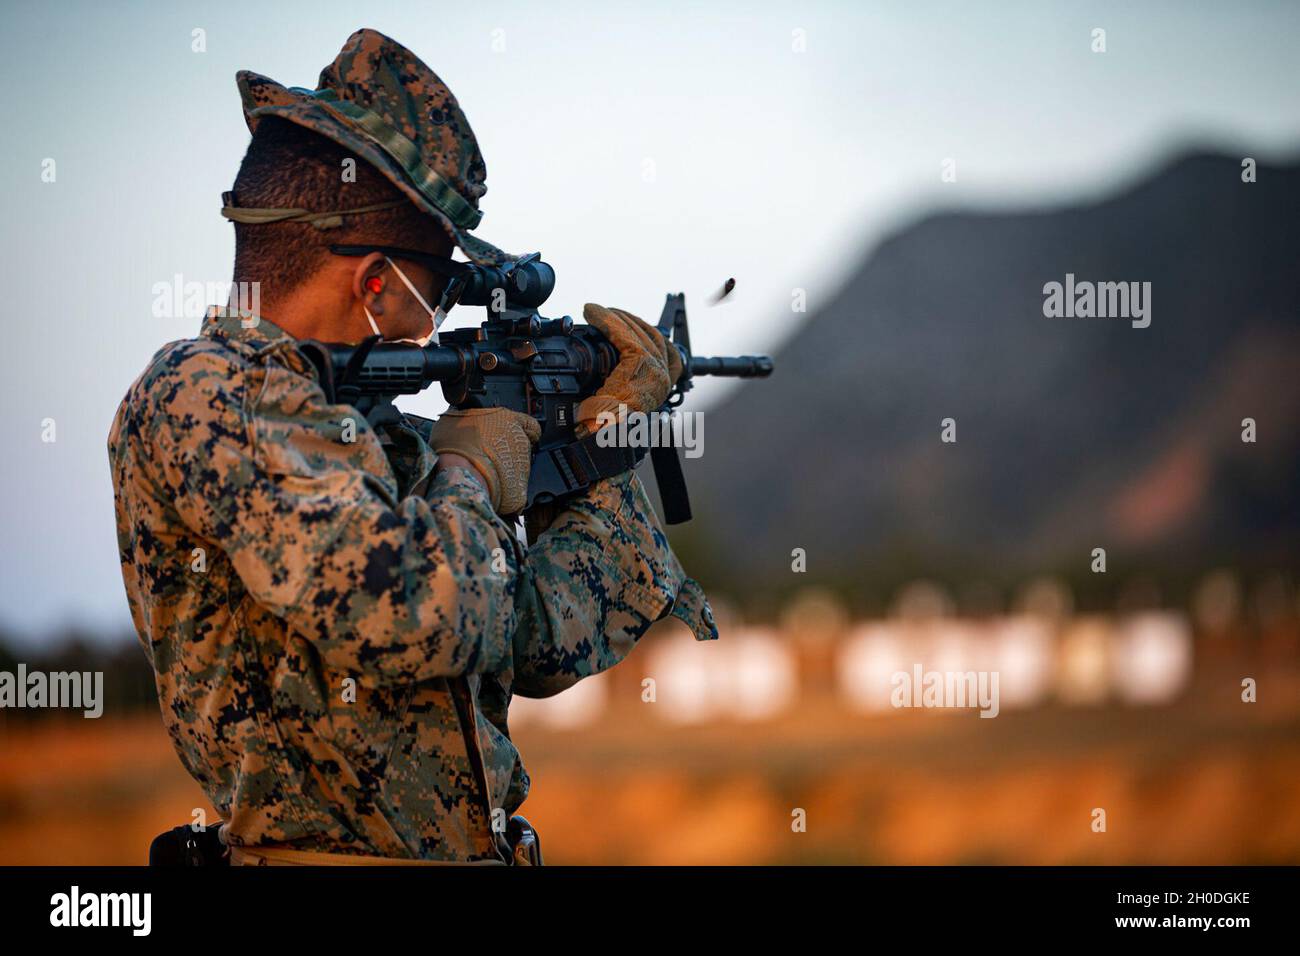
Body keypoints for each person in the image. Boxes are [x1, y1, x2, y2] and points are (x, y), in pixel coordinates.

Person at [108, 28, 715, 866]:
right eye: (440, 290)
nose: (440, 323)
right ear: (375, 284)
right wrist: (471, 471)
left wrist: (593, 448)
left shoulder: (376, 436)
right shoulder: (208, 397)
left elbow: (535, 639)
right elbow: (418, 615)